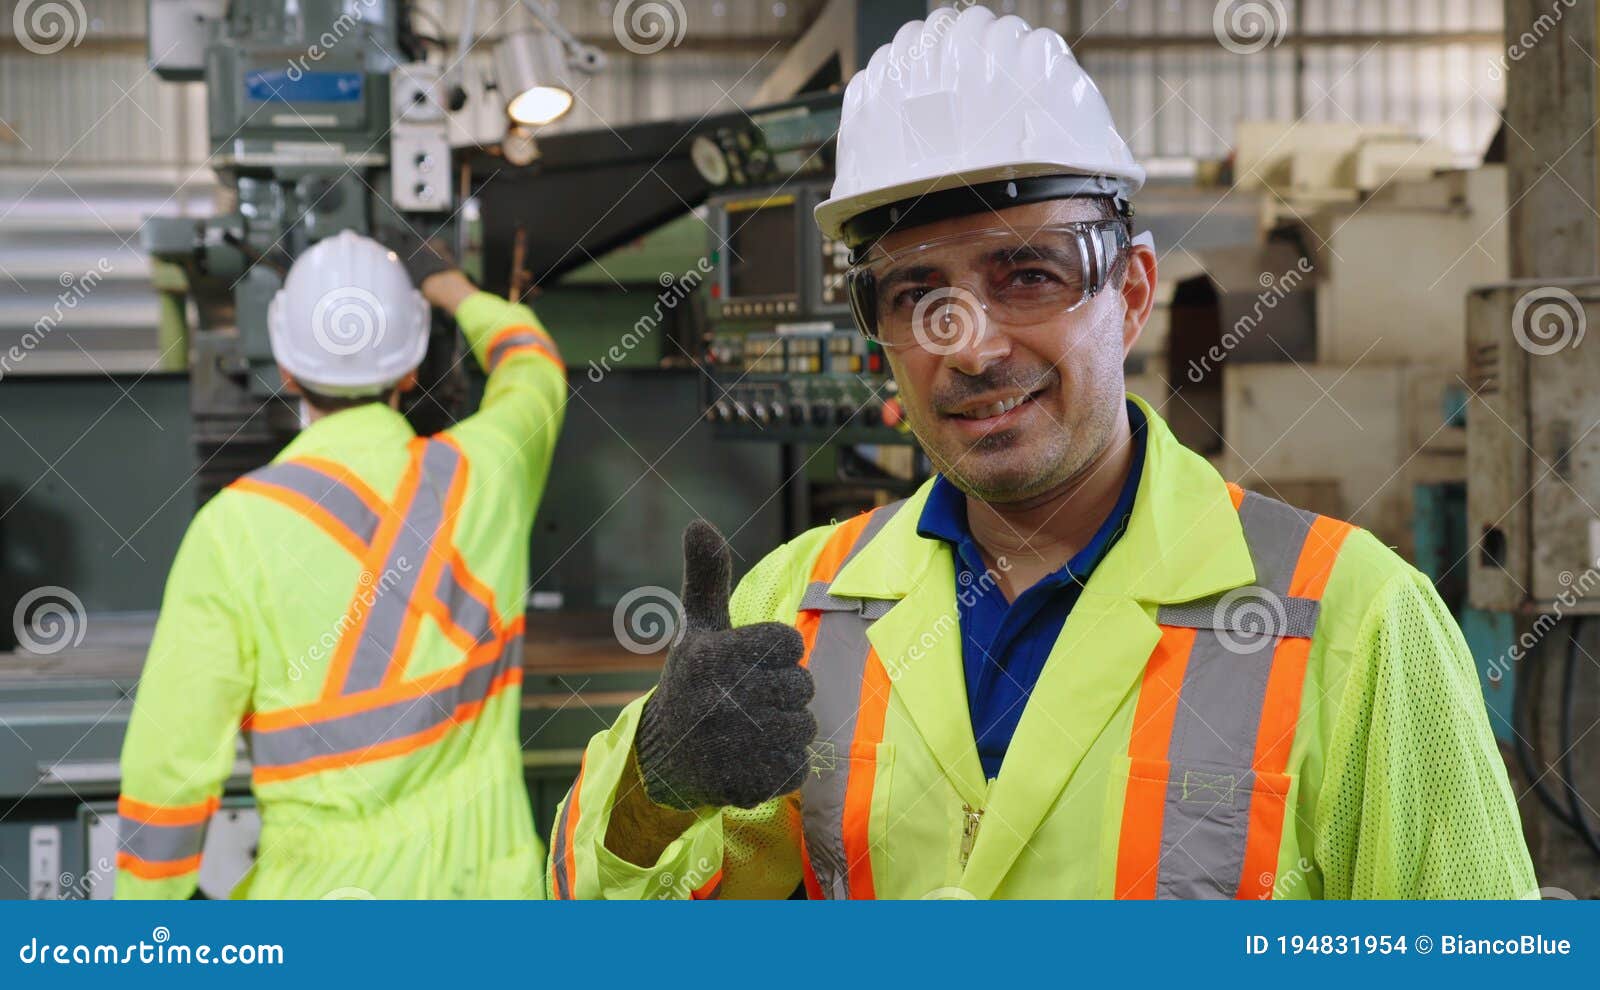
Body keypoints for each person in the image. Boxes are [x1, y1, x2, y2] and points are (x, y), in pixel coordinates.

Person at [547, 6, 1535, 900]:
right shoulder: (794, 604)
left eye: (1028, 274)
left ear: (1134, 291)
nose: (969, 346)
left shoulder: (1355, 627)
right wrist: (654, 790)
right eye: (915, 293)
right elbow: (599, 917)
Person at [115, 230, 566, 898]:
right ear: (411, 368)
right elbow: (533, 366)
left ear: (287, 368)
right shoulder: (487, 474)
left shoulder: (232, 530)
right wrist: (455, 290)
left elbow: (169, 770)